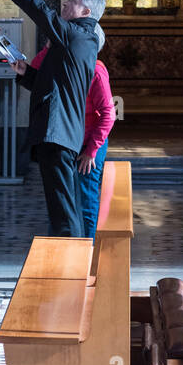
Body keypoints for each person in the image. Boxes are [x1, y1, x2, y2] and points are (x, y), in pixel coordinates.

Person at [0, 0, 106, 236]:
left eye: (73, 0)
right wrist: (25, 72)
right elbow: (55, 87)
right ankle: (68, 266)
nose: (65, 3)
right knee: (61, 208)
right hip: (58, 135)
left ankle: (71, 271)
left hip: (59, 135)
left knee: (64, 213)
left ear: (86, 11)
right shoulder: (74, 41)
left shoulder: (79, 36)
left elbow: (42, 12)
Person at [28, 24, 117, 239]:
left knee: (85, 198)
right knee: (61, 199)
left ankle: (87, 250)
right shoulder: (65, 65)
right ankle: (64, 249)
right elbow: (36, 74)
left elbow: (108, 114)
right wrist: (49, 46)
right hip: (67, 140)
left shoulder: (95, 70)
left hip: (89, 144)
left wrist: (91, 151)